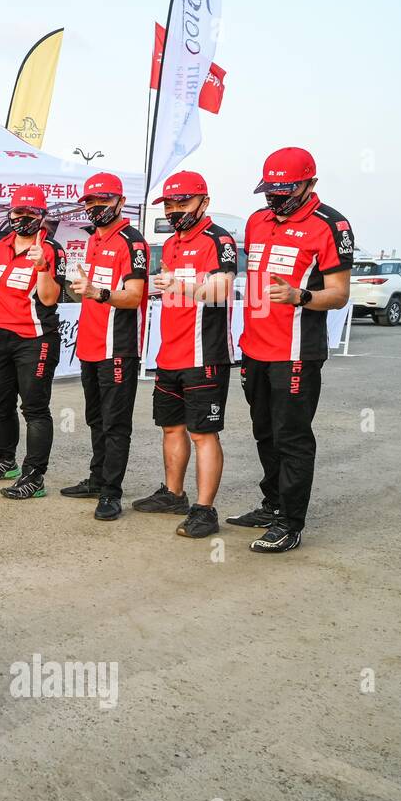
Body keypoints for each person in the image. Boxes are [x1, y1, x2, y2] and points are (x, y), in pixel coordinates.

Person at [228, 148, 353, 553]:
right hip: (254, 350)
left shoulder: (330, 225)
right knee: (263, 431)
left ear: (309, 183)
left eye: (285, 190)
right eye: (270, 190)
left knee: (292, 437)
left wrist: (300, 296)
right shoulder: (257, 221)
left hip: (296, 352)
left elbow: (338, 294)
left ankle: (290, 521)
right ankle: (272, 503)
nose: (275, 199)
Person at [132, 171, 238, 539]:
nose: (175, 210)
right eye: (171, 204)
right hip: (169, 354)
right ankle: (173, 494)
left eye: (183, 202)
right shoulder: (172, 243)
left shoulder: (217, 238)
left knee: (203, 433)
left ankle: (205, 510)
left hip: (204, 355)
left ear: (203, 202)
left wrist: (182, 285)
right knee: (171, 427)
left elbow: (223, 288)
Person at [63, 173, 150, 520]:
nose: (95, 207)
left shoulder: (132, 241)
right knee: (95, 419)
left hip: (118, 347)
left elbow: (134, 297)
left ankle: (112, 492)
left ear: (119, 201)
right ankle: (98, 479)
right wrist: (75, 285)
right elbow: (83, 292)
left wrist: (97, 292)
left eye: (102, 200)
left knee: (116, 423)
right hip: (90, 346)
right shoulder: (92, 241)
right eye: (89, 202)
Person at [0, 185, 67, 500]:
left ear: (42, 216)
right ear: (9, 214)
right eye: (18, 212)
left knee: (35, 408)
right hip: (1, 335)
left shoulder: (52, 249)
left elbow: (50, 298)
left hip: (36, 338)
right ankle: (6, 460)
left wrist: (41, 265)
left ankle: (35, 477)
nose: (23, 218)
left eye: (30, 213)